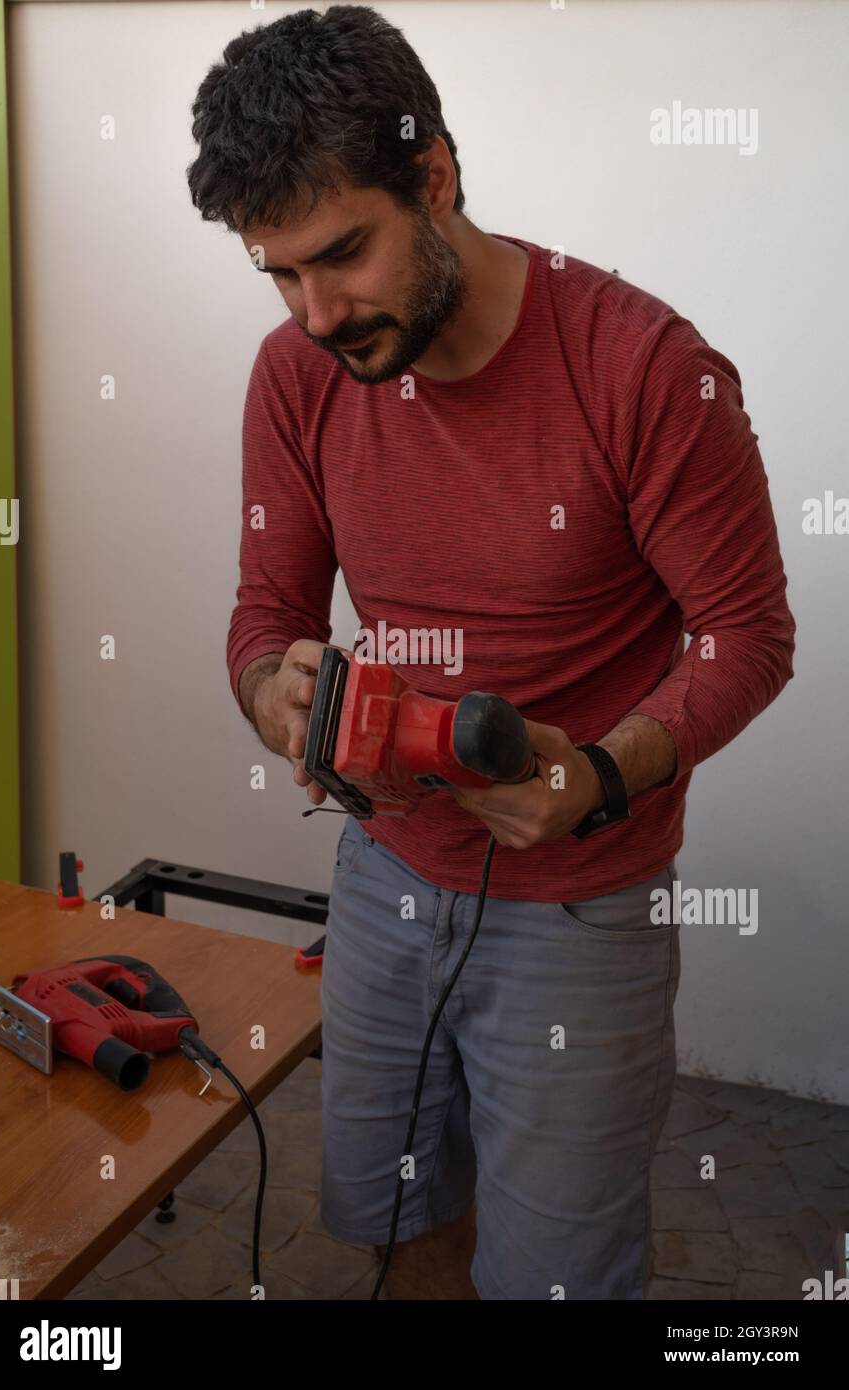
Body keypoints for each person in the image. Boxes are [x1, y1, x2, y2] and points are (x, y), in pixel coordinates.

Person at [187, 5, 795, 1299]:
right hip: (382, 878)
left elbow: (748, 633)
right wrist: (276, 695)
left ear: (436, 176)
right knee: (402, 1235)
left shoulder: (646, 369)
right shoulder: (296, 375)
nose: (316, 311)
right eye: (279, 275)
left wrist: (601, 776)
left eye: (341, 254)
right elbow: (261, 620)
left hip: (582, 907)